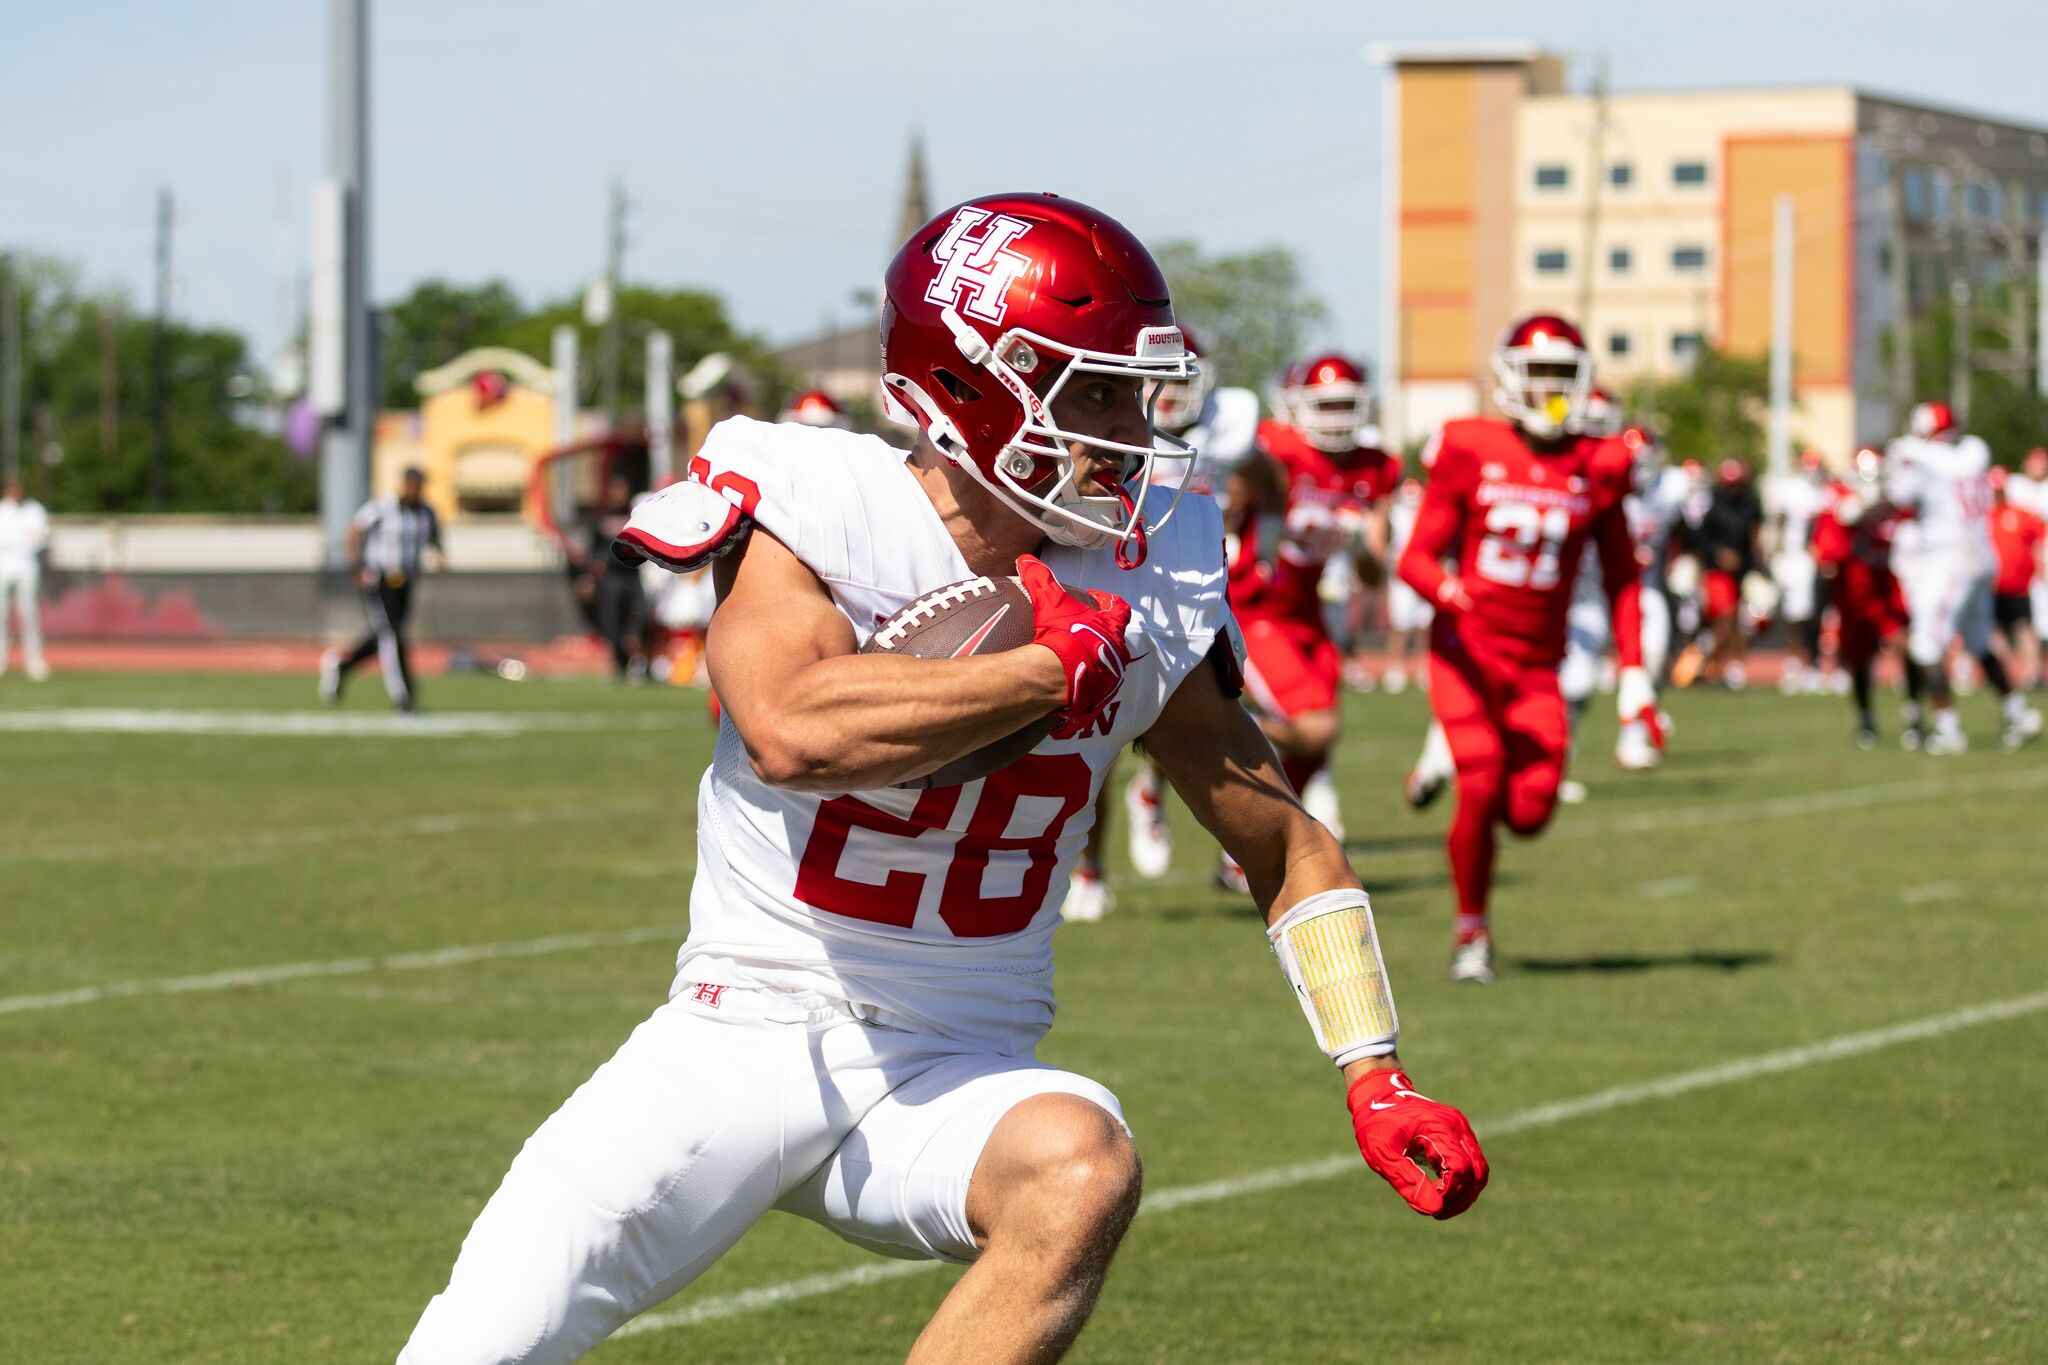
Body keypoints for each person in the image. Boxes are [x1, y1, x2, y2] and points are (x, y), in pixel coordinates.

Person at [398, 193, 1486, 1365]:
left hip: (955, 1064)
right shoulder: (821, 499)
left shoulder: (1151, 564)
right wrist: (1040, 674)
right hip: (749, 1031)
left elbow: (1283, 841)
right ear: (973, 380)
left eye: (1138, 389)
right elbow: (789, 731)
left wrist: (1373, 1072)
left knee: (1081, 1164)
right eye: (1098, 391)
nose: (1133, 426)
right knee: (478, 1347)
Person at [1396, 314, 1652, 985]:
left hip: (1540, 664)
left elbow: (1624, 575)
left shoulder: (1595, 464)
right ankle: (1471, 933)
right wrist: (1451, 590)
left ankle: (1453, 768)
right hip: (1466, 650)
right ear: (1509, 378)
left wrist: (1634, 674)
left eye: (1561, 378)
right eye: (1537, 375)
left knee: (1531, 811)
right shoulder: (1471, 446)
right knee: (1479, 781)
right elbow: (1416, 557)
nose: (1548, 392)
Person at [1067, 327, 1262, 919]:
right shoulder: (1113, 431)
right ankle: (1088, 870)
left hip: (1188, 591)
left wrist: (1262, 542)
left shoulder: (1229, 432)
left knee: (1189, 721)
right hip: (1107, 580)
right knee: (1087, 742)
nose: (1172, 396)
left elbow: (1263, 487)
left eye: (1183, 380)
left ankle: (1155, 793)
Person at [1219, 354, 1399, 884]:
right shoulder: (1275, 449)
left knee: (1317, 748)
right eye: (1327, 405)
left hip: (1309, 612)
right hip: (1255, 608)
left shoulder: (1374, 466)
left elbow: (1372, 571)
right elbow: (1228, 505)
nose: (1338, 417)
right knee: (1315, 728)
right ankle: (1204, 728)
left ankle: (1238, 856)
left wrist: (1360, 540)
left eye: (1347, 405)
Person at [1882, 401, 2038, 753]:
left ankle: (1947, 727)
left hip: (1950, 559)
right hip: (1977, 556)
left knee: (1927, 642)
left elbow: (1900, 495)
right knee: (1978, 641)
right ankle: (2017, 712)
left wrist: (1906, 453)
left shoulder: (1943, 456)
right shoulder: (1964, 452)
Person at [321, 466, 444, 712]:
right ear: (405, 484)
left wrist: (439, 553)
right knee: (392, 635)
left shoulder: (426, 512)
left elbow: (434, 537)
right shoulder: (383, 508)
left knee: (386, 635)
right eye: (412, 484)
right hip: (379, 579)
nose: (415, 489)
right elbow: (355, 531)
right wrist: (357, 567)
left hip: (406, 582)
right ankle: (403, 695)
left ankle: (342, 667)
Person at [1813, 448, 1908, 747]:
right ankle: (1866, 718)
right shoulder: (1839, 497)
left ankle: (1914, 712)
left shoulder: (1899, 499)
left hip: (1891, 584)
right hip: (1853, 592)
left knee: (1906, 645)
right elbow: (1828, 545)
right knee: (1858, 658)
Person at [1679, 459, 1764, 688]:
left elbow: (1755, 538)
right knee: (1724, 616)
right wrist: (1719, 555)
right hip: (1717, 573)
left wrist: (1760, 567)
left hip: (1744, 572)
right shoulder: (1713, 506)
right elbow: (1701, 541)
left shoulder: (1751, 506)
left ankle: (1726, 664)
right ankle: (1711, 663)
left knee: (1747, 620)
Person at [575, 472, 650, 681]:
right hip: (611, 578)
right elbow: (591, 552)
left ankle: (641, 660)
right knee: (612, 621)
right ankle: (619, 663)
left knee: (640, 617)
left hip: (633, 575)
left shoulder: (635, 515)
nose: (619, 494)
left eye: (622, 490)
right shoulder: (600, 520)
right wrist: (587, 577)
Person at [1768, 449, 1830, 694]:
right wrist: (1777, 551)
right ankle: (1794, 664)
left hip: (1821, 559)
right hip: (1796, 557)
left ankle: (1814, 667)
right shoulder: (1792, 489)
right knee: (1798, 614)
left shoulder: (1826, 490)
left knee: (1819, 615)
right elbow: (1781, 521)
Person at [1988, 465, 2046, 690]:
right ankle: (2008, 670)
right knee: (1994, 631)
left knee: (2024, 628)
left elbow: (2038, 540)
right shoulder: (1983, 516)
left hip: (2019, 585)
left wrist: (2039, 569)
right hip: (1992, 584)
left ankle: (2032, 673)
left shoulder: (2020, 513)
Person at [0, 474, 51, 680]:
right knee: (1, 615)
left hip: (27, 568)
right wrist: (19, 540)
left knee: (29, 615)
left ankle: (33, 658)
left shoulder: (34, 510)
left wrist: (17, 542)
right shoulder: (3, 510)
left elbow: (36, 539)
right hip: (3, 568)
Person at [2007, 447, 2048, 685]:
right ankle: (2032, 671)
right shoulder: (2017, 486)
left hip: (2041, 557)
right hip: (2021, 562)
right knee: (2026, 618)